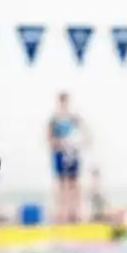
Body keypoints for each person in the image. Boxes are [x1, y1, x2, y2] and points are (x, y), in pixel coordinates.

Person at [48, 92, 86, 224]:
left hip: (72, 153)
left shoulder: (74, 118)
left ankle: (75, 212)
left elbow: (84, 134)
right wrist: (60, 144)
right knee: (62, 184)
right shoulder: (54, 119)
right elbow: (49, 139)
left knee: (74, 184)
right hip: (60, 154)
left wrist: (76, 144)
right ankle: (62, 213)